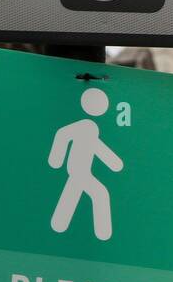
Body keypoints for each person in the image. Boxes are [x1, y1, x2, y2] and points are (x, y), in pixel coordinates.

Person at [48, 87, 123, 240]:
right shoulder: (85, 125)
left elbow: (96, 146)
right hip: (78, 169)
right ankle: (102, 234)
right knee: (100, 193)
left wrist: (114, 162)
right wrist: (56, 159)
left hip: (79, 171)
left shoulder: (90, 127)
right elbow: (63, 135)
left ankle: (58, 225)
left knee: (76, 193)